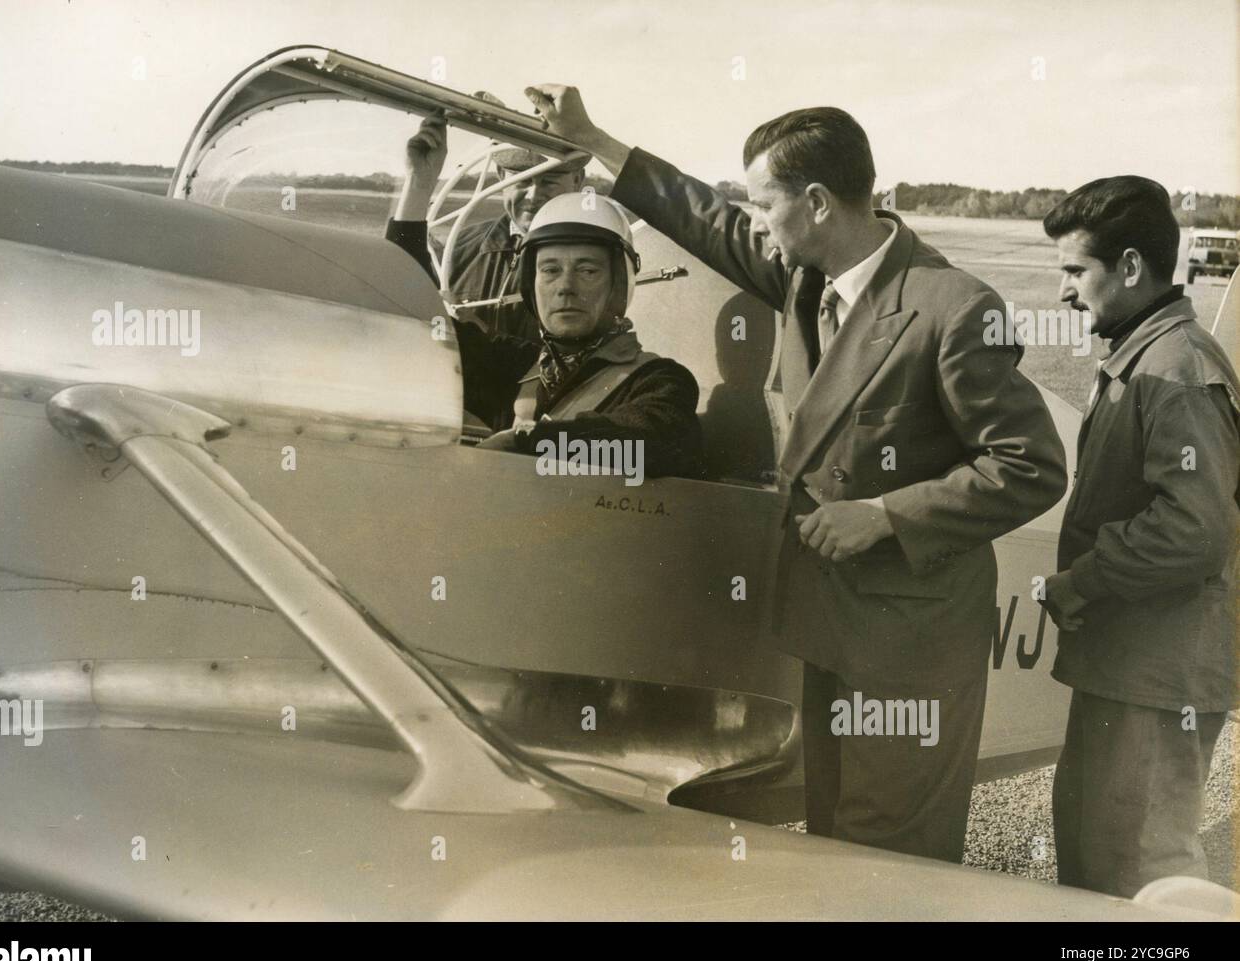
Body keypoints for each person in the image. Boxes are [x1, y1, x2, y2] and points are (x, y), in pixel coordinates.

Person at [528, 85, 1067, 863]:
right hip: (831, 625)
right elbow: (701, 217)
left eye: (763, 202)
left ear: (815, 203)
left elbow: (1031, 466)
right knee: (835, 842)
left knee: (893, 860)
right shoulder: (806, 280)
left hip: (911, 648)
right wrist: (595, 138)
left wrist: (886, 514)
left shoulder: (953, 305)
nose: (753, 221)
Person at [1039, 176, 1239, 897]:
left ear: (1129, 267)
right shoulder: (1145, 356)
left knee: (1148, 884)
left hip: (1156, 680)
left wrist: (1084, 577)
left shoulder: (1176, 368)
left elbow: (1195, 528)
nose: (1064, 292)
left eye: (1075, 270)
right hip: (1130, 669)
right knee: (1098, 874)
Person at [394, 187, 704, 479]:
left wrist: (526, 442)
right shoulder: (516, 365)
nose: (566, 288)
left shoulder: (659, 380)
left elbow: (650, 442)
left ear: (618, 285)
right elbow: (408, 316)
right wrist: (418, 186)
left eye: (588, 271)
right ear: (532, 284)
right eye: (550, 271)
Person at [385, 110, 591, 350]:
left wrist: (478, 333)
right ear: (502, 176)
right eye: (523, 180)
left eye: (549, 181)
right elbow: (401, 291)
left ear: (577, 180)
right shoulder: (460, 247)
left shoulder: (597, 263)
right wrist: (418, 180)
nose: (534, 194)